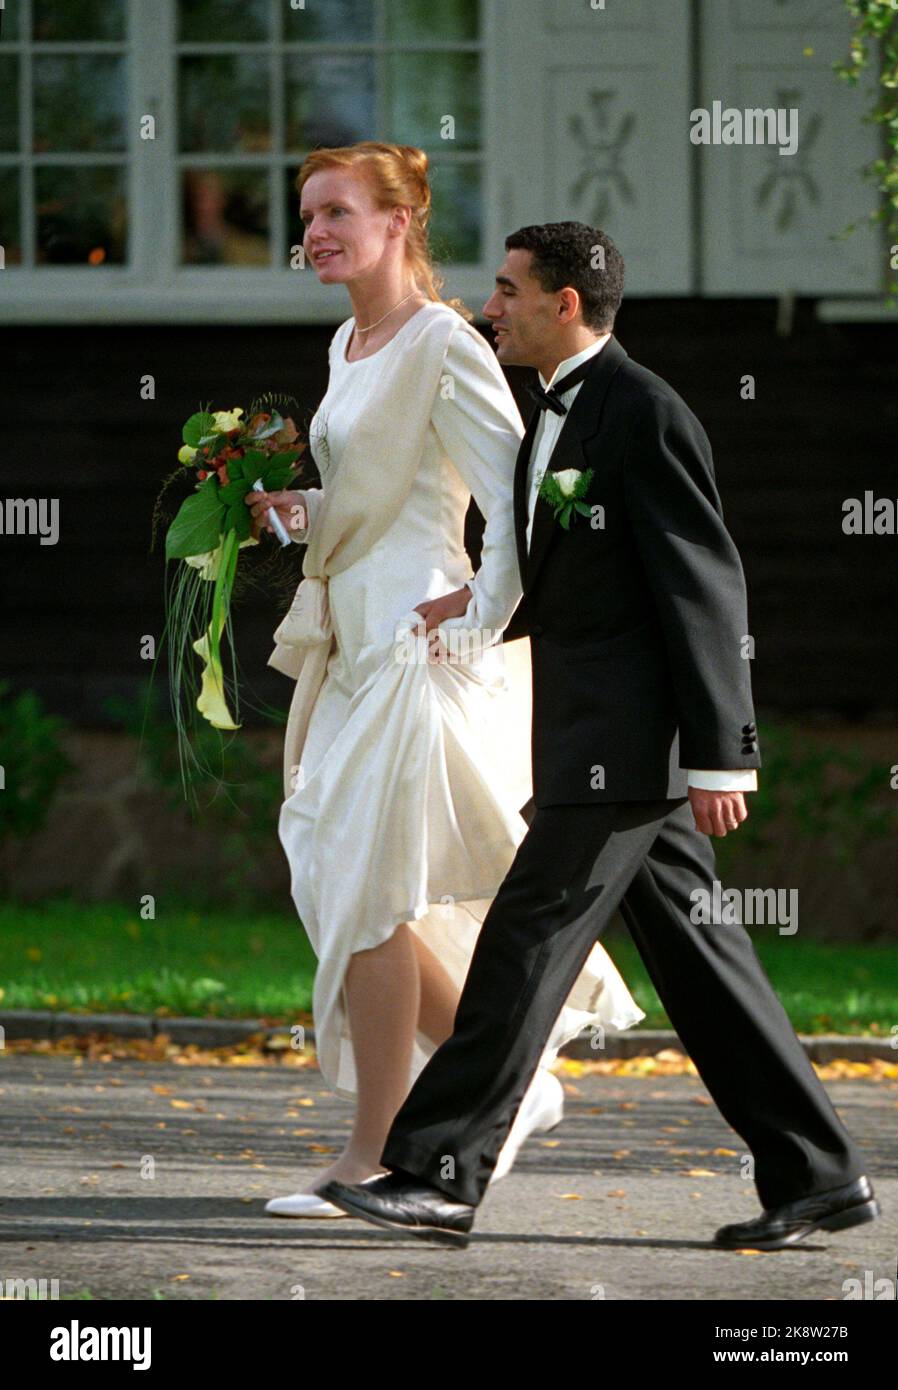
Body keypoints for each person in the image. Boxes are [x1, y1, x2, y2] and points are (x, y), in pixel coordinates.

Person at [320, 222, 879, 1251]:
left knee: (523, 946)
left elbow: (702, 587)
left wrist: (721, 753)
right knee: (705, 964)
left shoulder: (643, 411)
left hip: (623, 752)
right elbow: (585, 572)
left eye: (507, 291)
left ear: (563, 305)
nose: (490, 307)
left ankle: (440, 1169)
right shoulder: (553, 418)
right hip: (591, 740)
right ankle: (819, 1172)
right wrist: (476, 610)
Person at [248, 155, 645, 1218]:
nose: (318, 230)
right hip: (349, 642)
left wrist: (477, 612)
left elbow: (522, 495)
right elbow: (376, 487)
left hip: (419, 648)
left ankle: (373, 1155)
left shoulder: (444, 342)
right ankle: (504, 1088)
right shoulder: (348, 341)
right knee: (340, 885)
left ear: (398, 220)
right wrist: (302, 510)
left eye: (339, 212)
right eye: (309, 216)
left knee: (370, 895)